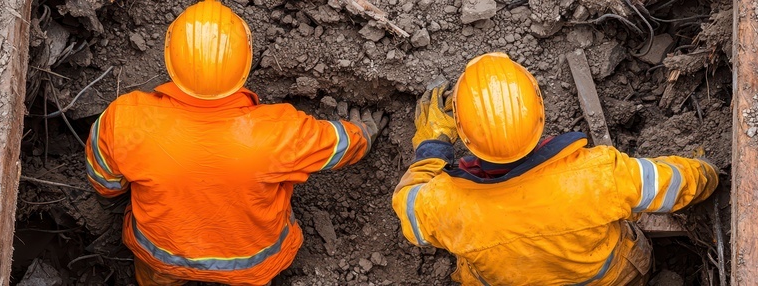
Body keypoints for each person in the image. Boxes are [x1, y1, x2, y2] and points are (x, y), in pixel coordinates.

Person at [83, 1, 385, 285]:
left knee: (155, 278)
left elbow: (105, 185)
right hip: (251, 267)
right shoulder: (280, 132)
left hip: (162, 257)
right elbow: (337, 145)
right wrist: (364, 134)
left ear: (170, 57)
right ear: (245, 62)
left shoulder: (125, 118)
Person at [391, 52, 718, 285]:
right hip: (614, 279)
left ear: (463, 132)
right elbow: (675, 184)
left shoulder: (445, 205)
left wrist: (433, 145)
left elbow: (409, 209)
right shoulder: (596, 175)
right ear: (539, 113)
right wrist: (708, 171)